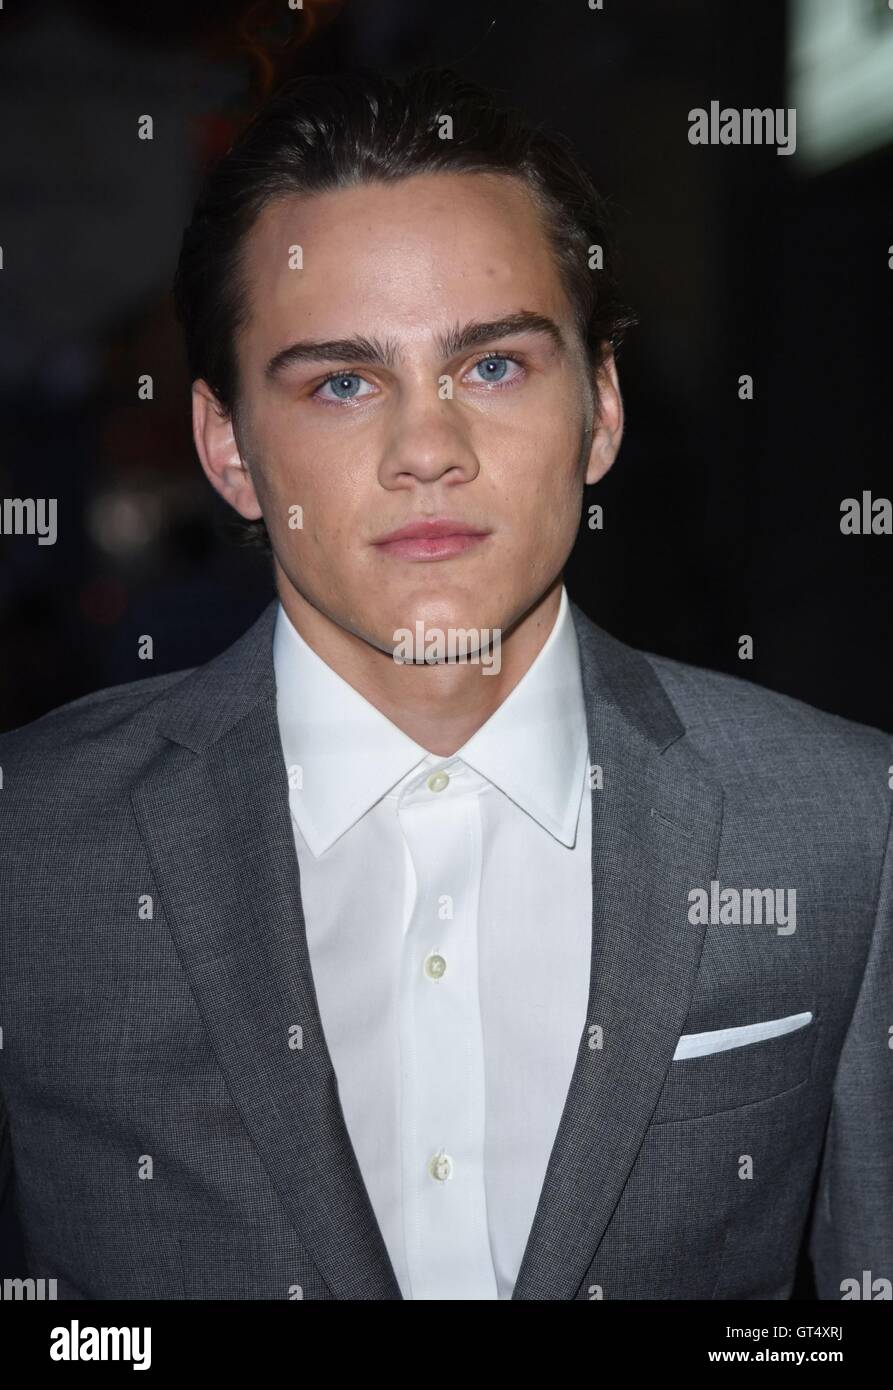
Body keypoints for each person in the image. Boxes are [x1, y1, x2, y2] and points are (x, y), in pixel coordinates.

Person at [1, 67, 890, 1302]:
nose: (426, 449)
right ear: (226, 448)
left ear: (602, 408)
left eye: (491, 368)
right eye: (342, 383)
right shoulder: (28, 847)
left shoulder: (844, 821)